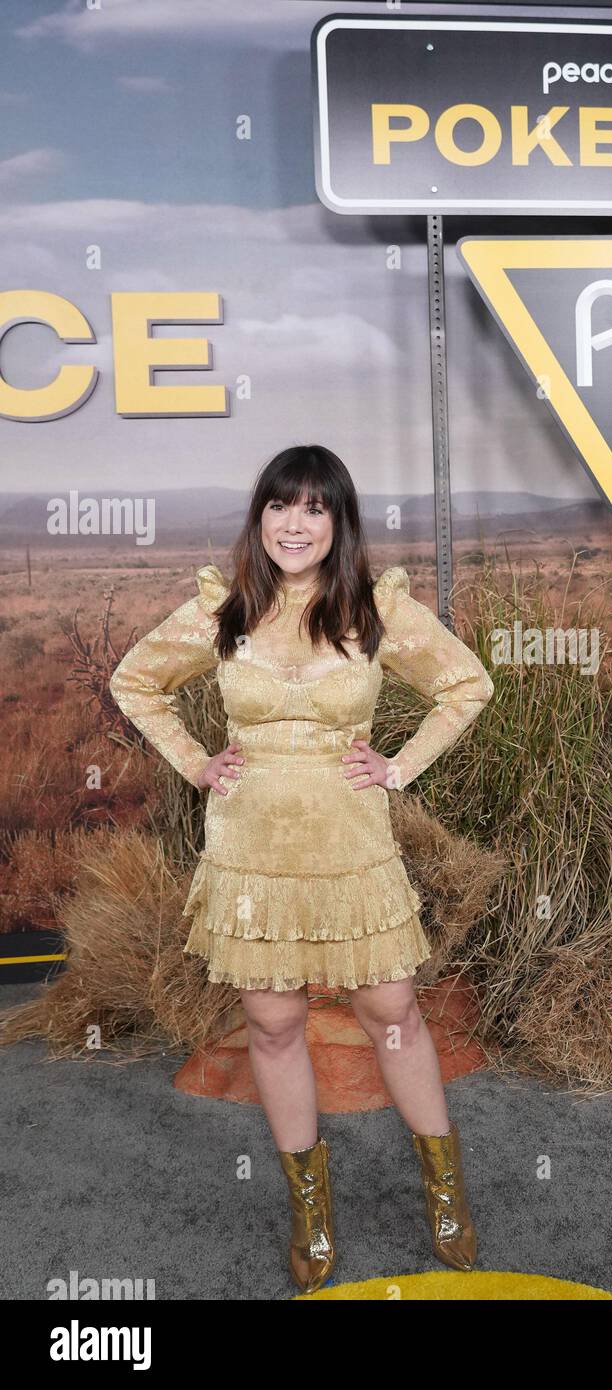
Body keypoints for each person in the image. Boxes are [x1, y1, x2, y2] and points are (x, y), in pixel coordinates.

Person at [109, 444, 493, 1293]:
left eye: (315, 508)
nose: (295, 523)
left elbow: (465, 686)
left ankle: (444, 1187)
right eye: (282, 506)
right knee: (275, 1026)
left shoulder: (371, 608)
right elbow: (136, 682)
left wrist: (399, 766)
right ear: (261, 519)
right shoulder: (226, 608)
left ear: (336, 523)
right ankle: (310, 1212)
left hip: (350, 845)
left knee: (392, 1011)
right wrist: (193, 761)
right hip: (251, 855)